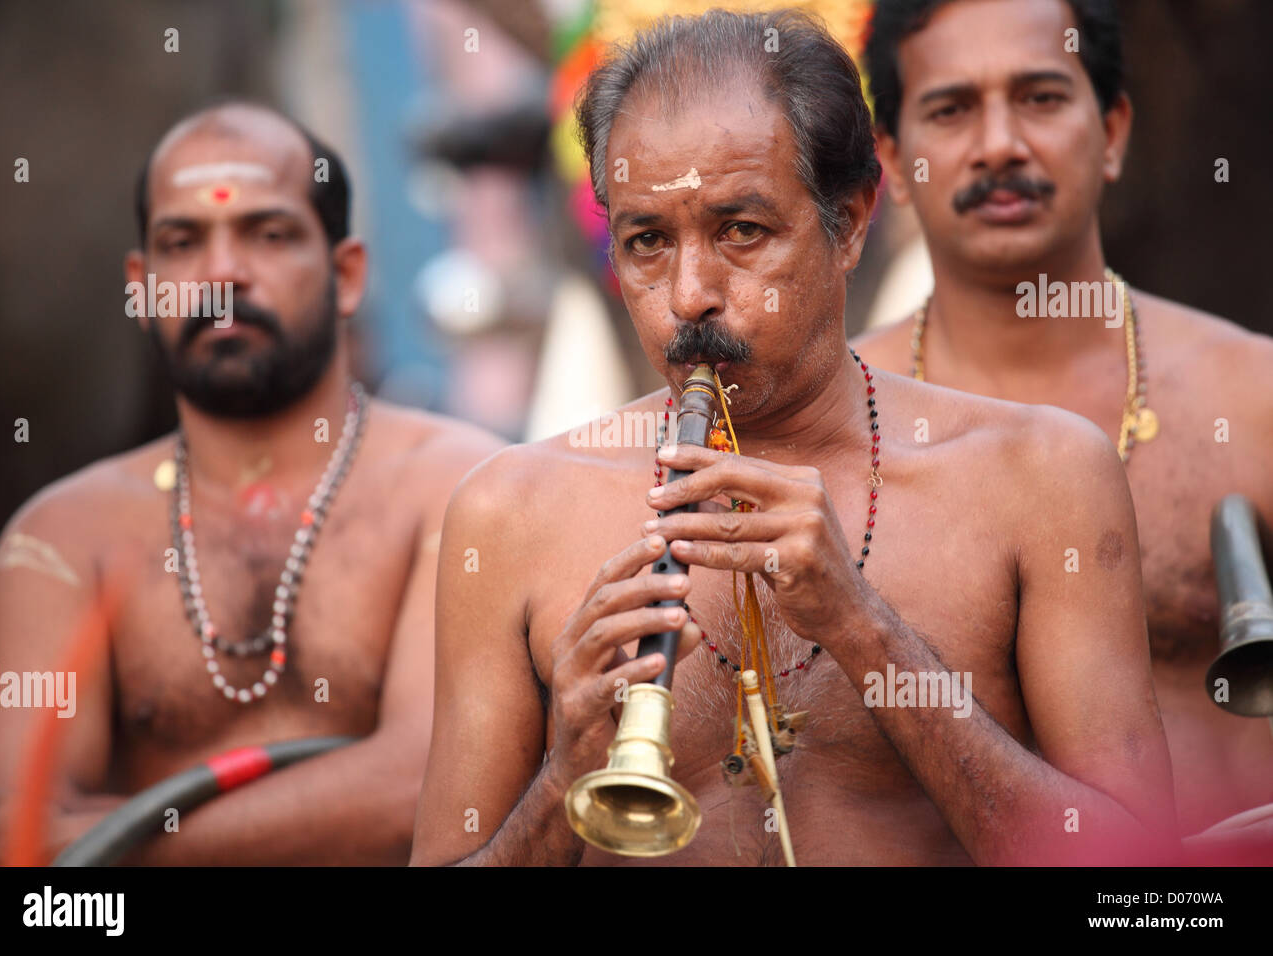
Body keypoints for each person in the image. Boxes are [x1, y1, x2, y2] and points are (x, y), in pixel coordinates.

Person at [410, 9, 1177, 866]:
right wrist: (563, 779)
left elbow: (1146, 896)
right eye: (647, 242)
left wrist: (862, 627)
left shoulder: (1045, 477)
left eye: (742, 230)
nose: (691, 293)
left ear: (849, 223)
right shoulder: (505, 513)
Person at [0, 102, 503, 865]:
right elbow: (10, 843)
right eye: (182, 242)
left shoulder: (462, 486)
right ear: (143, 284)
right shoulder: (61, 535)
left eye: (269, 233)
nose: (222, 273)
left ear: (345, 273)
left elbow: (433, 786)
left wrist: (116, 837)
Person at [853, 0, 1273, 863]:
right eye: (951, 108)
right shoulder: (836, 425)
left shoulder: (1255, 397)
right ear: (891, 160)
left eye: (1041, 97)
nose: (1000, 144)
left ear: (1113, 130)